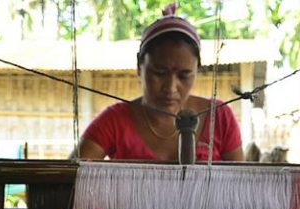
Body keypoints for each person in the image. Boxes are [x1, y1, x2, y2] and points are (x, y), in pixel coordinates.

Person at [77, 4, 244, 162]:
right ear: (139, 66)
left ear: (197, 70)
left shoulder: (220, 118)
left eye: (184, 75)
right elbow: (69, 177)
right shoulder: (114, 121)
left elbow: (241, 186)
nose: (170, 88)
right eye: (160, 72)